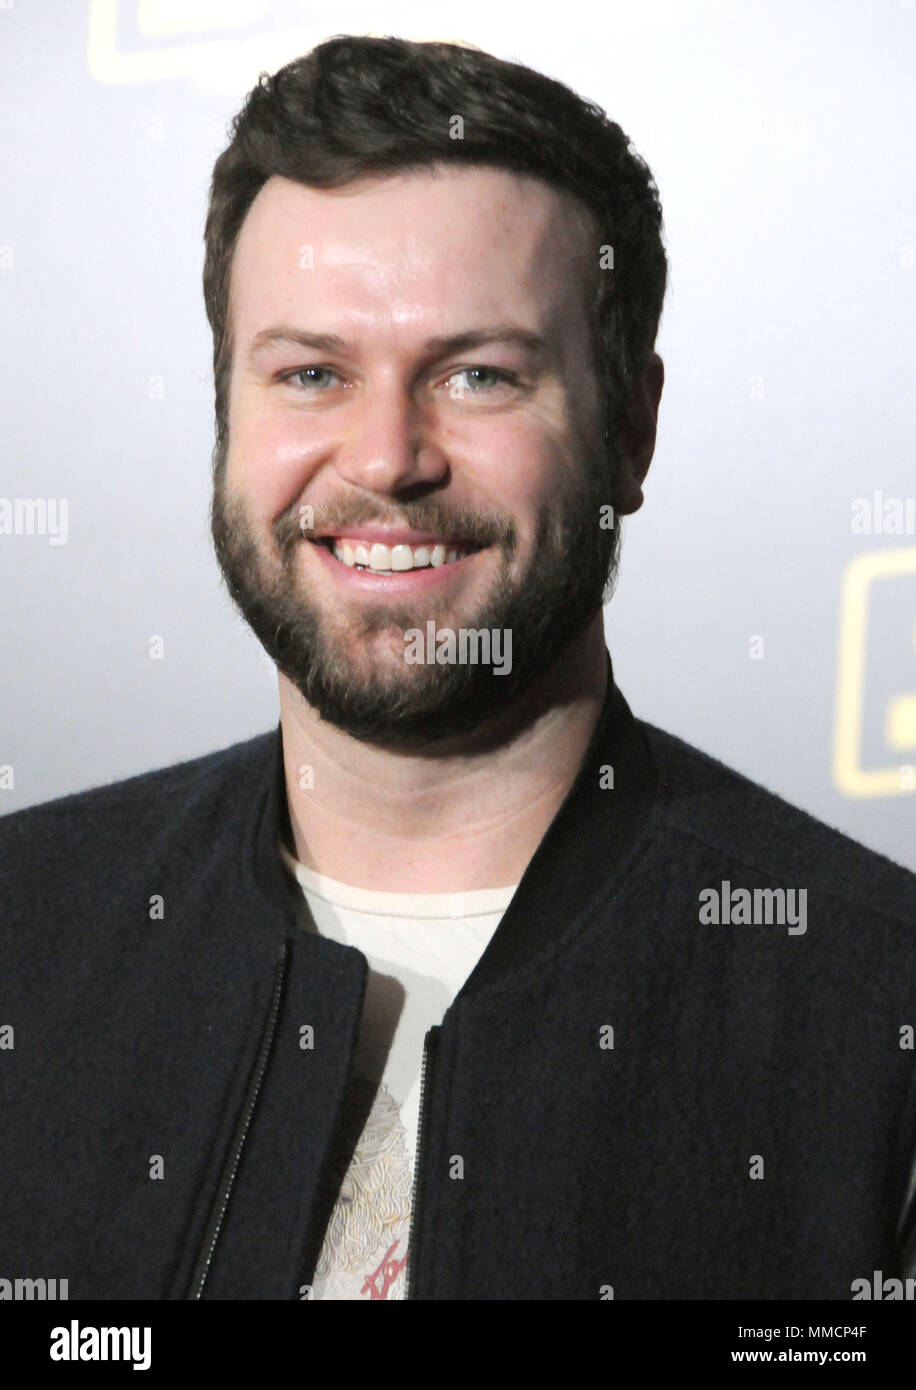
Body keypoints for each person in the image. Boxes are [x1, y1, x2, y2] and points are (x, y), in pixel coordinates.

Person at [2, 33, 914, 1303]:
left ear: (631, 428)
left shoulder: (877, 1013)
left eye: (478, 375)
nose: (385, 458)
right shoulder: (22, 929)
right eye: (310, 373)